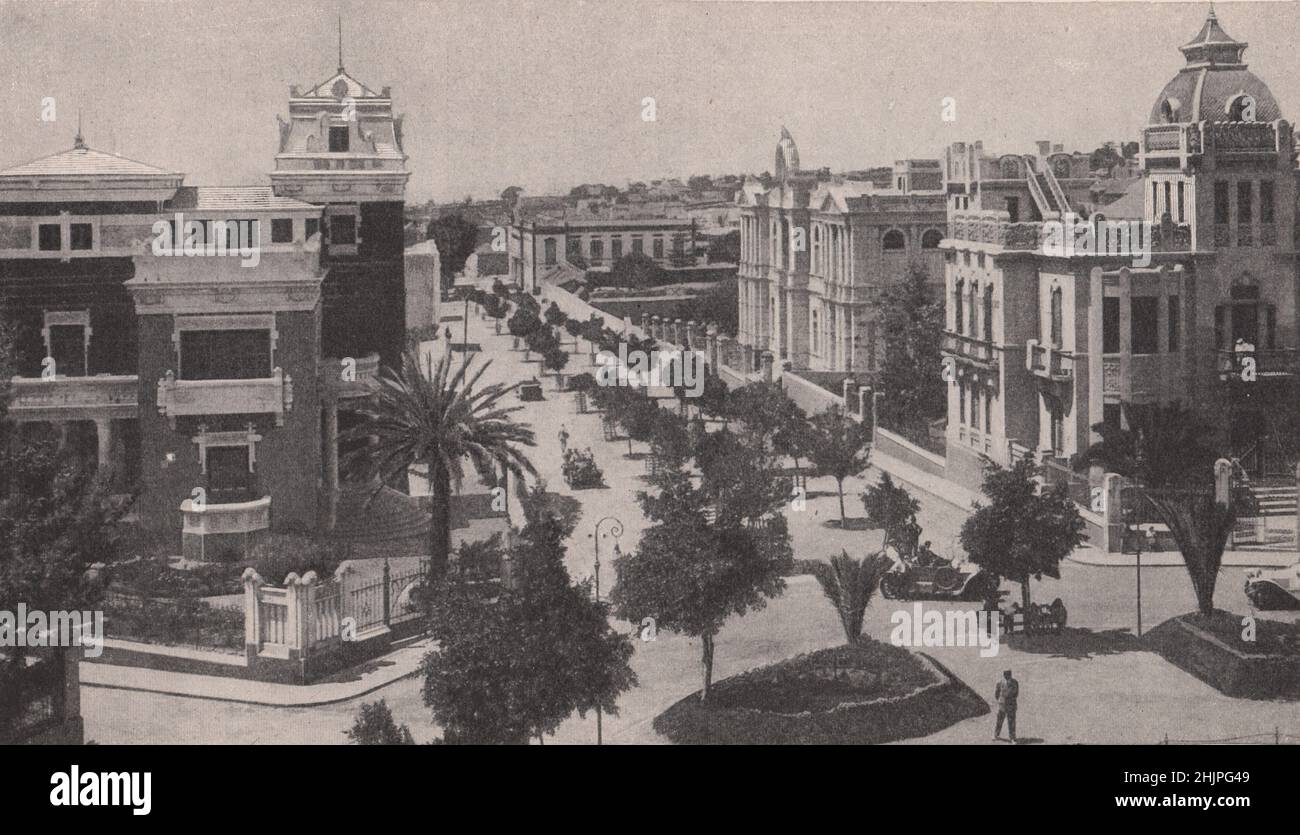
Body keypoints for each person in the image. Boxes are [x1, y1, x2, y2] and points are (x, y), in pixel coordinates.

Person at [994, 669, 1019, 742]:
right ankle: (996, 734)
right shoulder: (1000, 682)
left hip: (1011, 705)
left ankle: (1012, 738)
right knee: (999, 720)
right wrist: (1001, 701)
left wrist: (1009, 698)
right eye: (1006, 674)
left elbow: (1016, 693)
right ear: (1004, 674)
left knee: (1011, 722)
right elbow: (997, 693)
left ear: (1011, 674)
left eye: (1008, 674)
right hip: (1002, 705)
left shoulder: (1015, 682)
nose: (1007, 675)